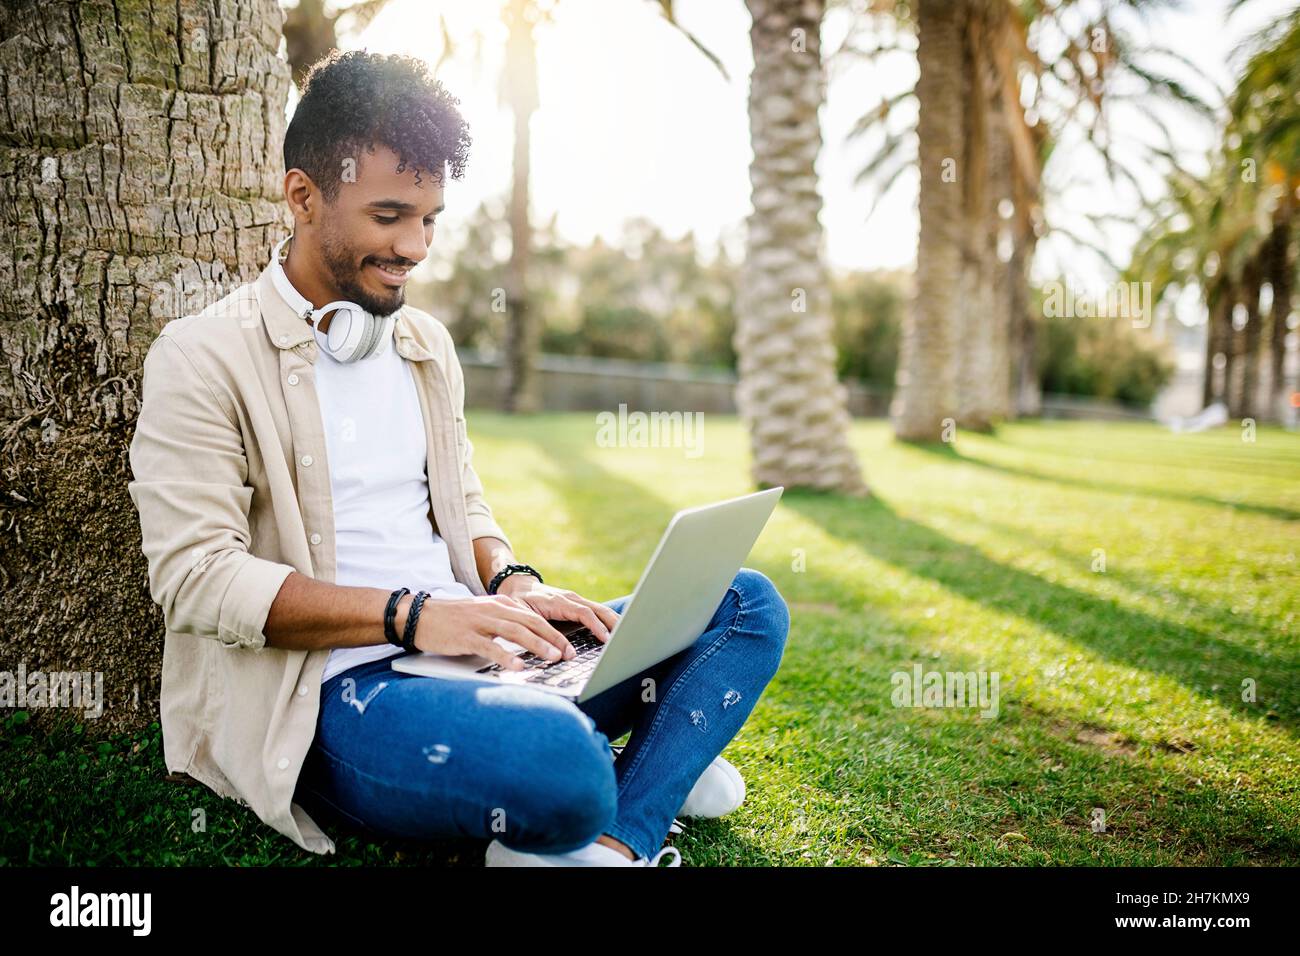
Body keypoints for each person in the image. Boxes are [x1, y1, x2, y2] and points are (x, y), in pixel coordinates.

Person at [127, 50, 790, 868]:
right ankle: (638, 770)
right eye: (389, 214)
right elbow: (196, 578)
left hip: (479, 647)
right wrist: (414, 616)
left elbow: (465, 507)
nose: (416, 246)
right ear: (303, 195)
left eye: (432, 217)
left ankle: (612, 837)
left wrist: (516, 584)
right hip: (337, 694)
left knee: (746, 605)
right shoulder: (200, 357)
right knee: (560, 767)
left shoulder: (423, 345)